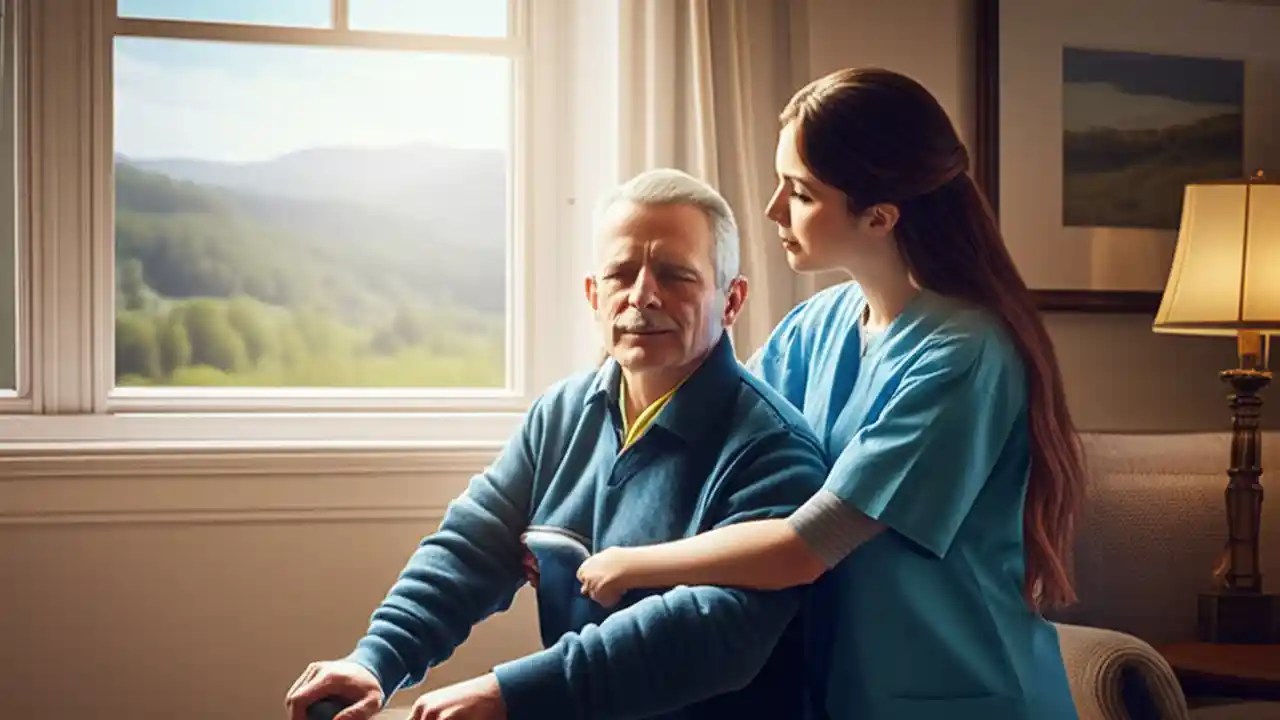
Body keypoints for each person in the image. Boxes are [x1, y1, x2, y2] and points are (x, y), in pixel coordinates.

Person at [576, 67, 1086, 719]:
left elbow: (805, 548)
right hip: (843, 691)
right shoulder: (816, 325)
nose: (773, 209)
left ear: (878, 216)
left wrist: (631, 564)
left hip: (963, 694)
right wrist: (576, 535)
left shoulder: (965, 356)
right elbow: (713, 446)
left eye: (800, 192)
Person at [284, 168, 828, 720]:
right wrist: (375, 661)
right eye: (620, 274)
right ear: (594, 295)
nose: (642, 295)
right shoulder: (559, 415)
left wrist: (510, 694)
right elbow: (469, 549)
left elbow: (708, 635)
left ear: (731, 301)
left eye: (675, 275)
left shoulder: (773, 451)